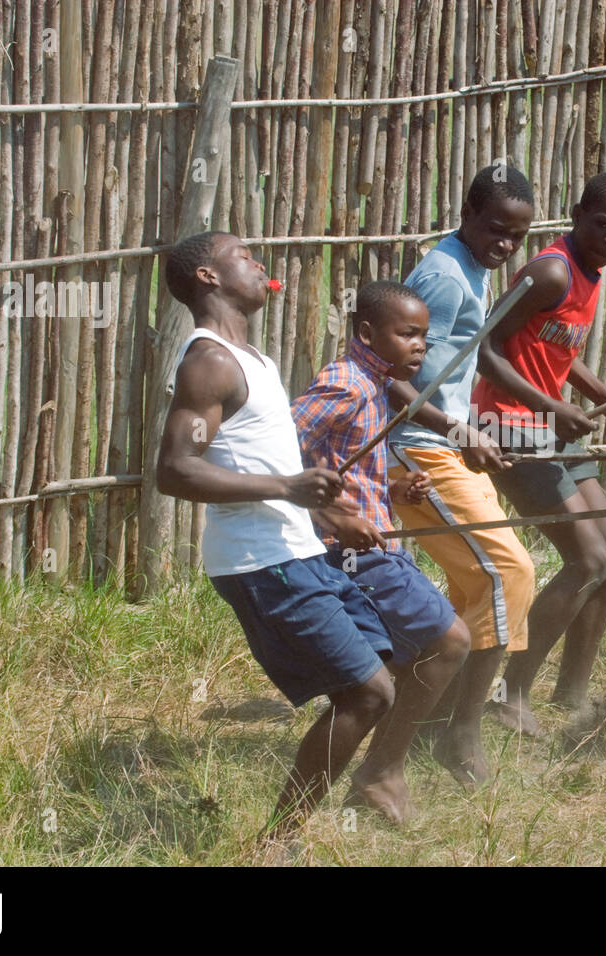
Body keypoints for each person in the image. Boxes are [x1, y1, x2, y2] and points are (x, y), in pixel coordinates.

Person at [154, 231, 425, 846]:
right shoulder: (209, 361)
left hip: (297, 550)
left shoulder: (253, 360)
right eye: (243, 257)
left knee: (391, 664)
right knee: (367, 692)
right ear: (208, 278)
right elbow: (174, 470)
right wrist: (285, 487)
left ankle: (308, 819)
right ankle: (276, 844)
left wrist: (323, 514)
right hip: (262, 562)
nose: (259, 265)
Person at [471, 171, 606, 734]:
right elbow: (485, 349)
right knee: (588, 559)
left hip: (545, 424)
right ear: (577, 215)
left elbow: (552, 348)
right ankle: (508, 694)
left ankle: (572, 689)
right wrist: (552, 411)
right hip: (507, 428)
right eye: (604, 226)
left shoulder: (589, 273)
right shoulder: (551, 272)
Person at [290, 280, 470, 825]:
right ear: (367, 332)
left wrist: (389, 494)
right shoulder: (347, 385)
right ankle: (381, 772)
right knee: (450, 642)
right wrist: (329, 519)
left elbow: (336, 468)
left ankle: (372, 771)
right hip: (348, 553)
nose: (420, 346)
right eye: (408, 334)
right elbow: (280, 451)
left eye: (424, 336)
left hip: (369, 542)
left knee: (398, 662)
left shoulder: (375, 383)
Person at [385, 163, 537, 788]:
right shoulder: (443, 278)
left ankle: (424, 719)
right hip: (420, 450)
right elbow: (388, 375)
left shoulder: (470, 269)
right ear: (467, 214)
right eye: (496, 229)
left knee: (474, 584)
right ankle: (461, 735)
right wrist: (456, 433)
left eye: (517, 236)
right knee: (509, 573)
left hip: (445, 443)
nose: (506, 245)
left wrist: (478, 432)